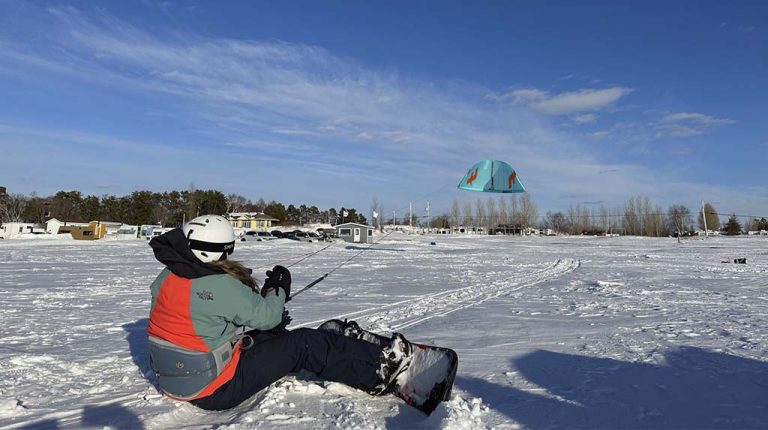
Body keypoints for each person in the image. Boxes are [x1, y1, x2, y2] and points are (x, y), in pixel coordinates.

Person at [146, 214, 411, 411]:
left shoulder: (167, 276)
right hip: (215, 390)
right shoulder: (219, 285)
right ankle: (379, 369)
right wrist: (278, 288)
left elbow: (202, 314)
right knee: (304, 343)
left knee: (273, 335)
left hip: (174, 381)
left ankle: (344, 349)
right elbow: (268, 316)